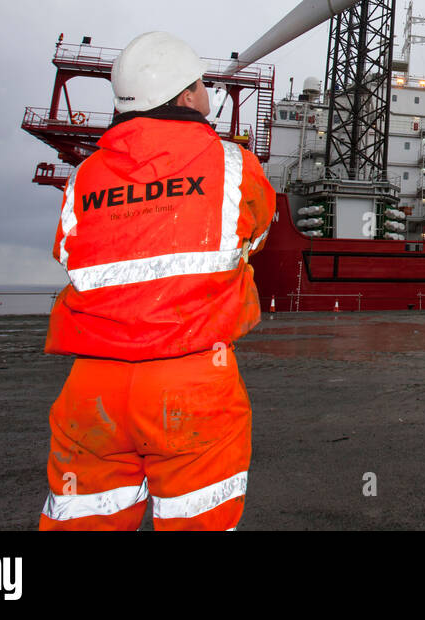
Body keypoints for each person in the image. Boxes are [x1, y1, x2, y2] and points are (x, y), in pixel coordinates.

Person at [39, 31, 275, 530]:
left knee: (82, 518)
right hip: (190, 378)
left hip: (94, 388)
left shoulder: (86, 175)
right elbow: (252, 238)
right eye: (201, 85)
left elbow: (69, 253)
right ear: (187, 96)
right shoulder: (232, 165)